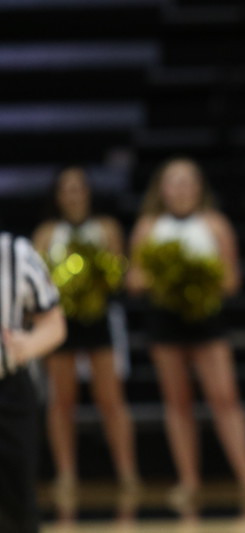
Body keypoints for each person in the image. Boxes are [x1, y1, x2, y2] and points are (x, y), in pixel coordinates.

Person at [127, 156, 245, 509]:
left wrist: (195, 279)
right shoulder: (148, 227)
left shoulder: (215, 224)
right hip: (165, 322)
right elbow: (133, 280)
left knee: (224, 398)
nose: (181, 189)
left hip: (207, 321)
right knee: (177, 402)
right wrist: (169, 278)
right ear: (162, 189)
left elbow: (231, 280)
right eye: (173, 182)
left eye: (187, 181)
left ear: (199, 188)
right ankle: (188, 482)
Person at [32, 166, 139, 506]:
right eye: (67, 190)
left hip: (99, 318)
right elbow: (37, 283)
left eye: (79, 188)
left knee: (111, 399)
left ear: (88, 193)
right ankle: (66, 474)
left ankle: (127, 473)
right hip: (61, 323)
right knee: (62, 402)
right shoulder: (46, 233)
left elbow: (119, 274)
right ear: (58, 196)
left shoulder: (106, 228)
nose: (74, 195)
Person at [0, 231, 67, 533]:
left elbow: (54, 324)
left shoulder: (15, 253)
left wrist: (27, 346)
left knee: (17, 506)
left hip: (8, 390)